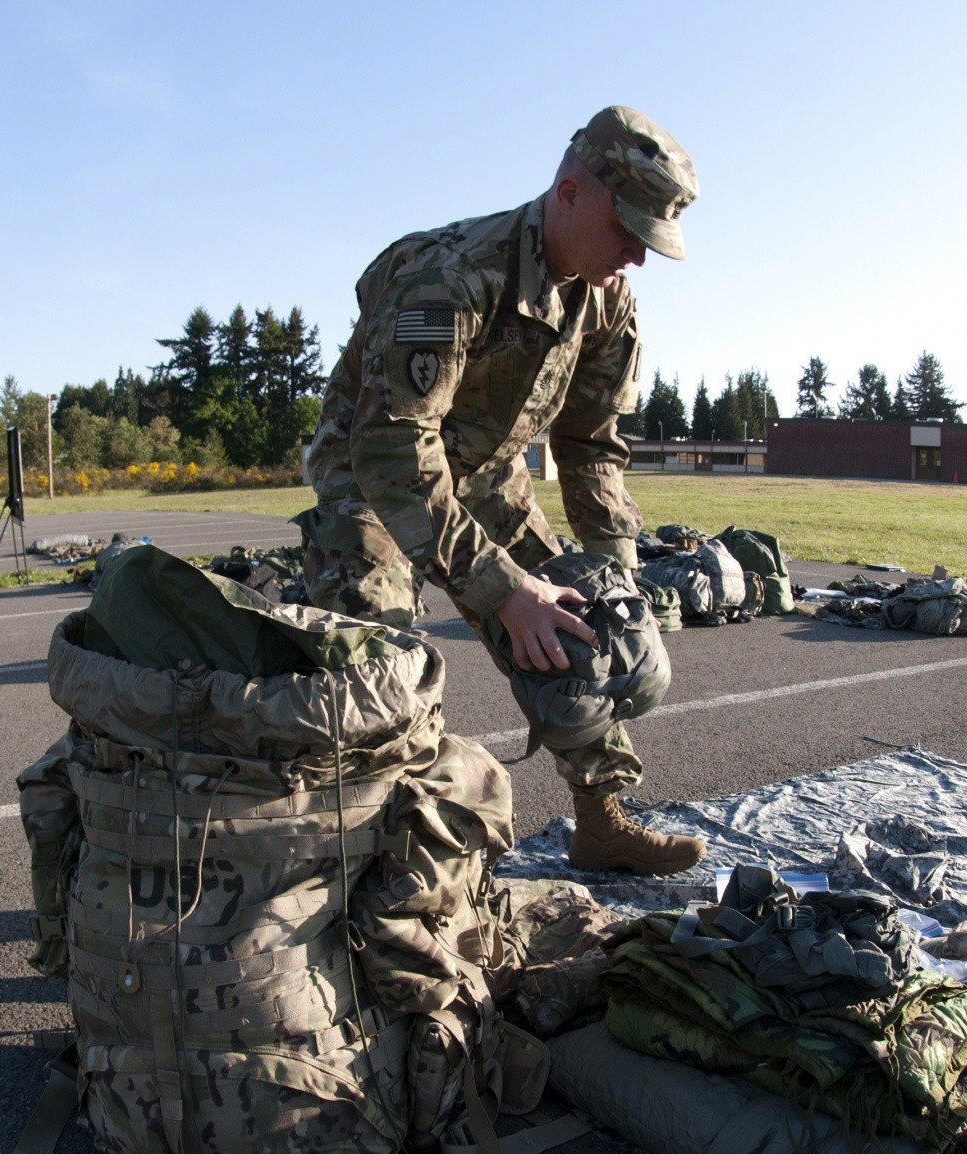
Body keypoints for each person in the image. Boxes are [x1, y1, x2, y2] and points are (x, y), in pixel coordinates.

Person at [299, 105, 704, 877]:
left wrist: (613, 569)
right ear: (571, 192)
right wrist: (498, 588)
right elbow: (393, 450)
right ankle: (357, 863)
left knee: (578, 622)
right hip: (373, 477)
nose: (638, 257)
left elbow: (590, 444)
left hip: (487, 477)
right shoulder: (450, 276)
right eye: (630, 230)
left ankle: (600, 820)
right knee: (374, 661)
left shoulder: (607, 297)